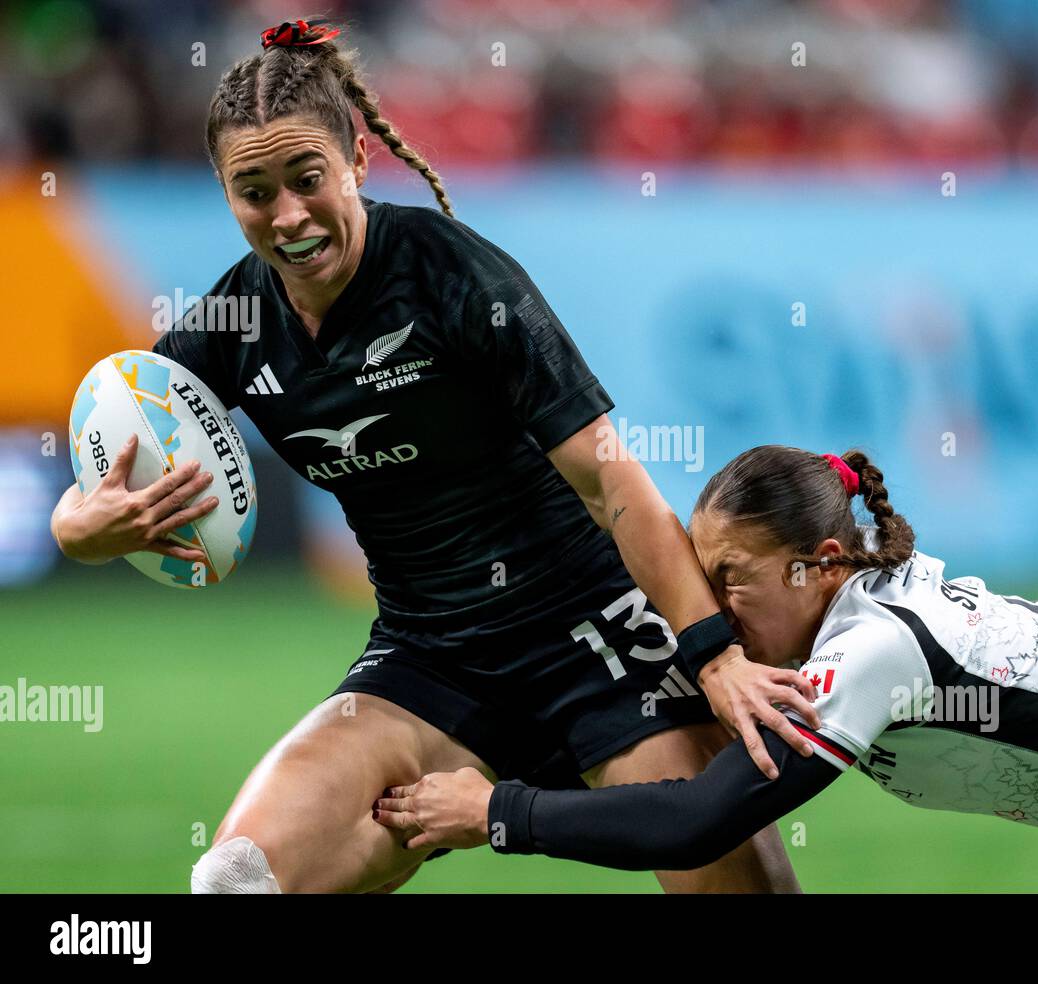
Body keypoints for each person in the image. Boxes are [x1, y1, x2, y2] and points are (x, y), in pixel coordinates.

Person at [48, 19, 819, 894]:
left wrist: (712, 653)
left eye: (307, 180)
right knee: (234, 882)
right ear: (225, 193)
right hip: (430, 660)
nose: (289, 217)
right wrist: (85, 531)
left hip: (600, 639)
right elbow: (109, 471)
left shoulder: (458, 278)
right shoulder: (234, 322)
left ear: (356, 164)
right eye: (254, 191)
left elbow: (612, 480)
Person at [376, 445, 1038, 894]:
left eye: (728, 583)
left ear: (818, 563)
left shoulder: (874, 652)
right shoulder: (866, 613)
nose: (710, 612)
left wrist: (497, 813)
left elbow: (698, 820)